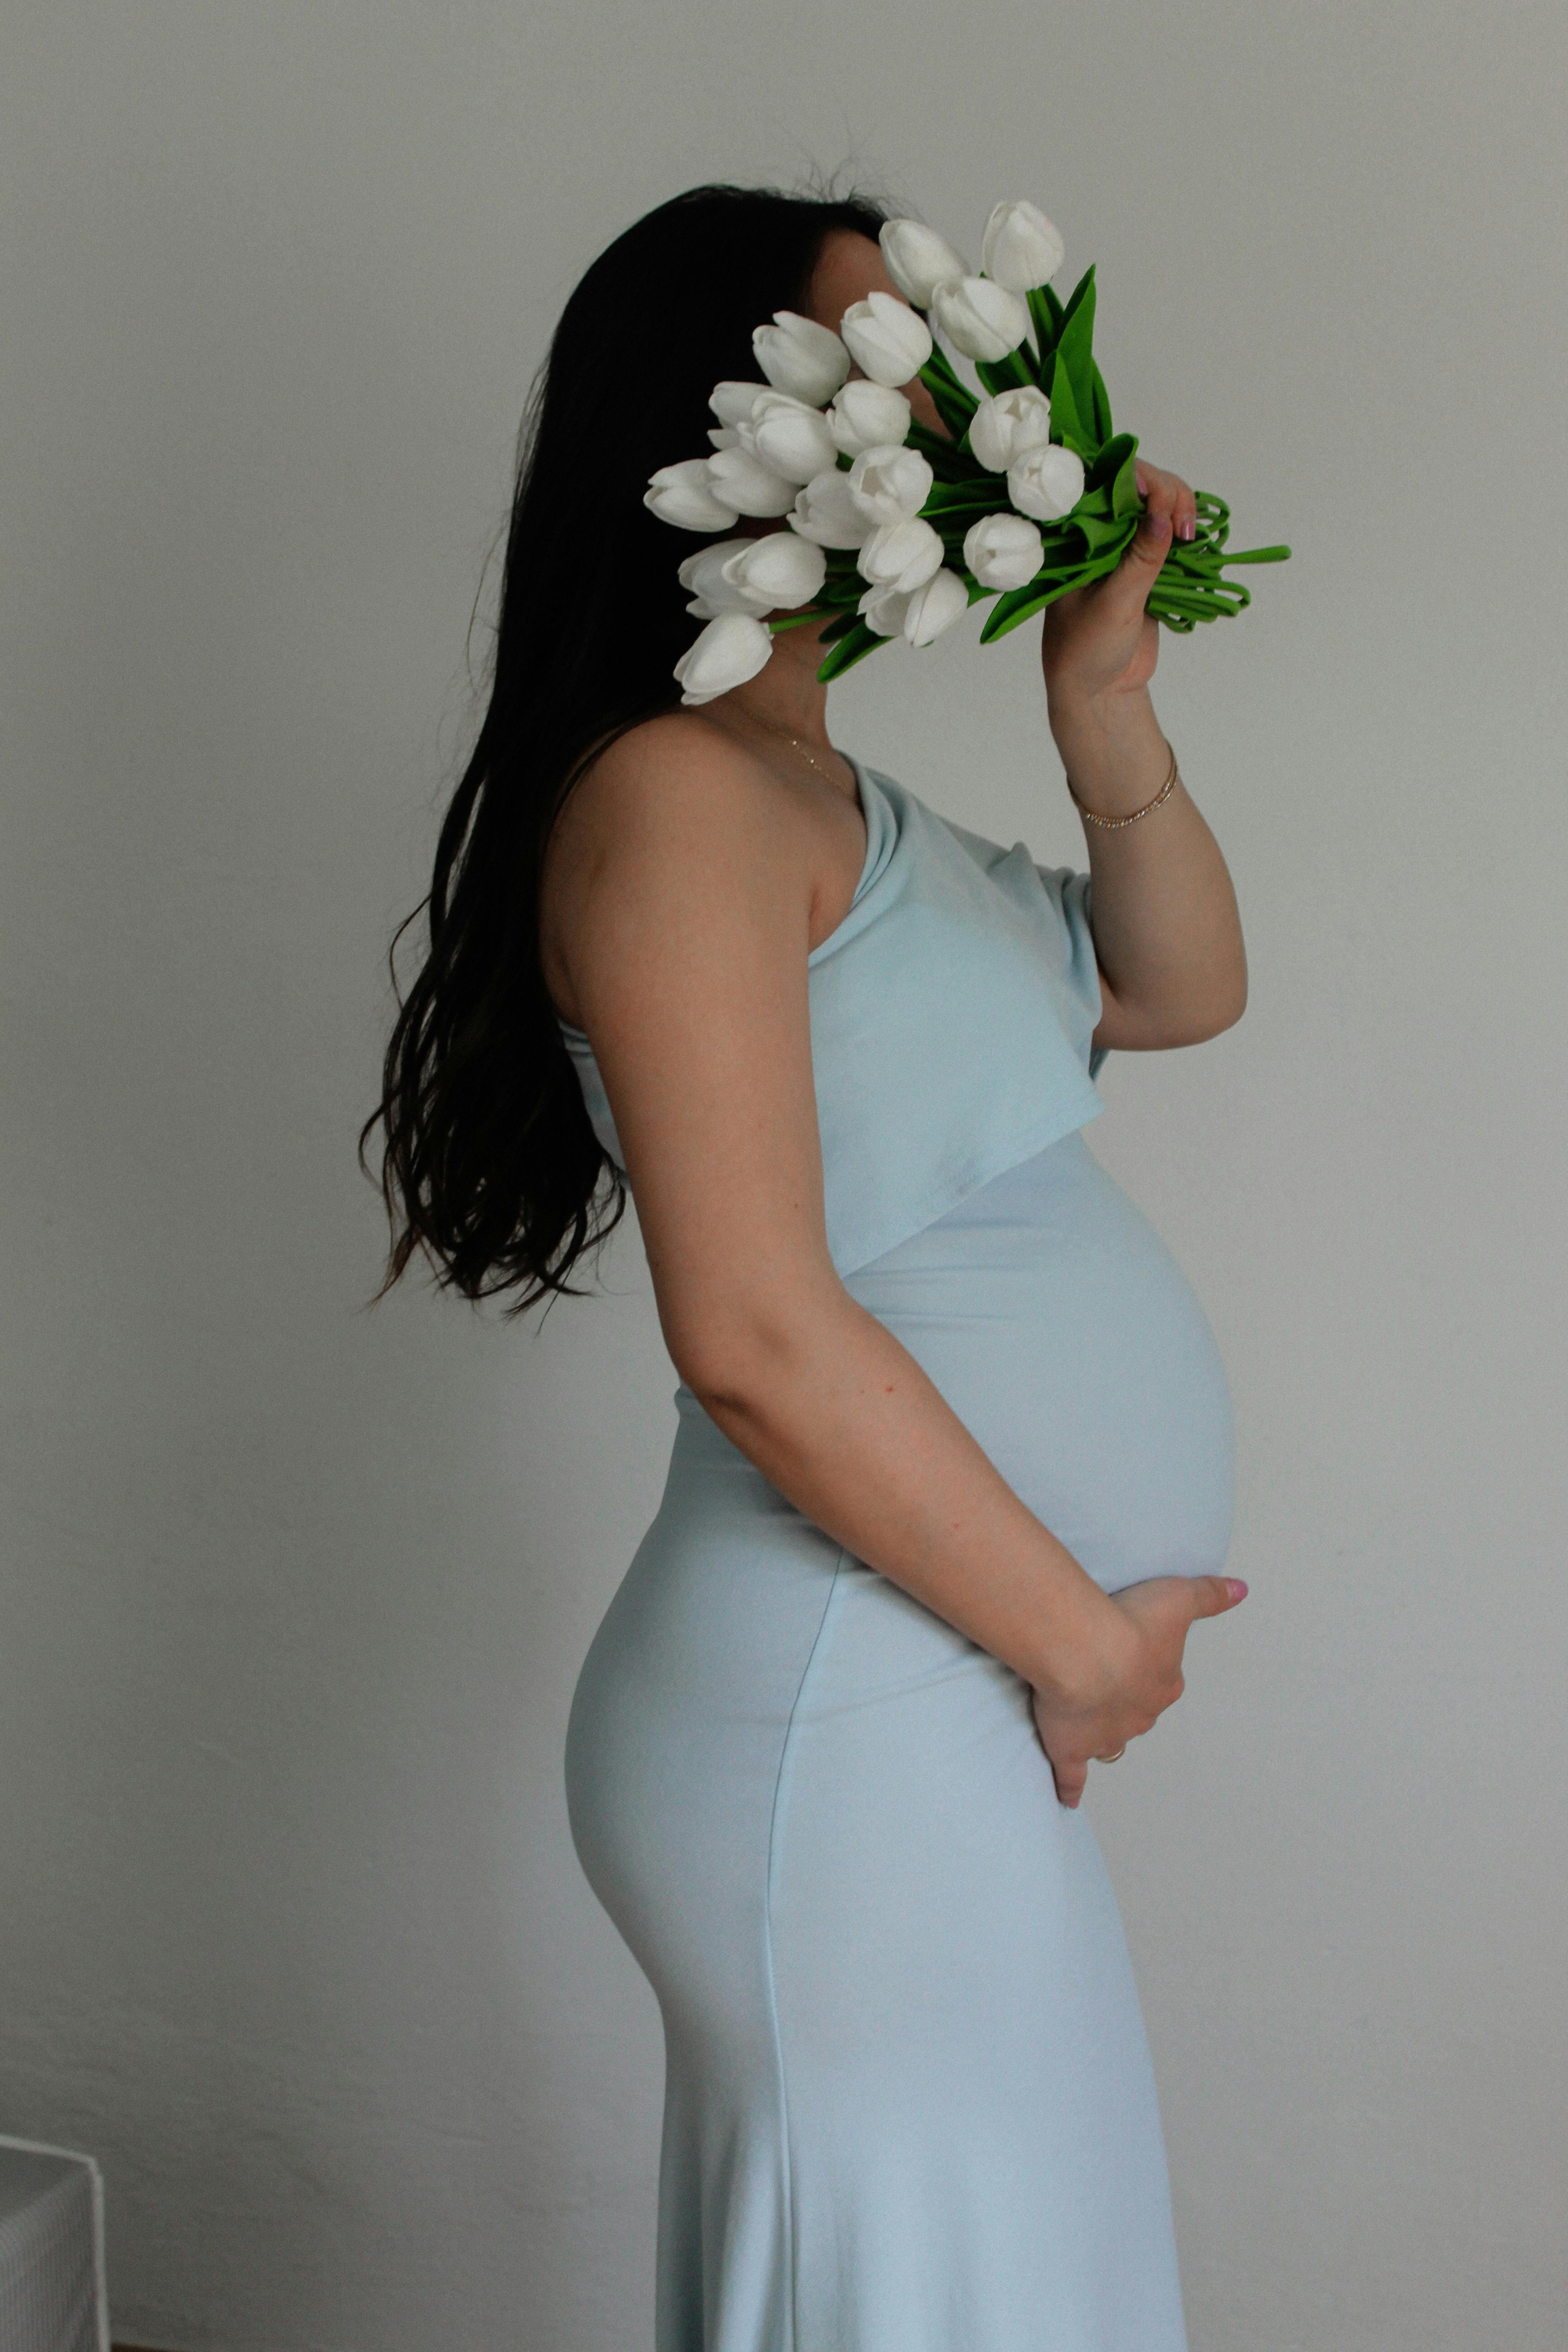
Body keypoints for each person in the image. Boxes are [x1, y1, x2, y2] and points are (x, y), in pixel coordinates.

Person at [368, 180, 1250, 2352]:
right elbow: (754, 1333)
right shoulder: (675, 799)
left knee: (966, 2284)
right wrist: (1083, 1647)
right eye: (888, 361)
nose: (954, 414)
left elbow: (1180, 987)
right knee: (953, 2290)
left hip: (917, 1691)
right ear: (727, 421)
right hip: (847, 1709)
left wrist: (1104, 712)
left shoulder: (834, 807)